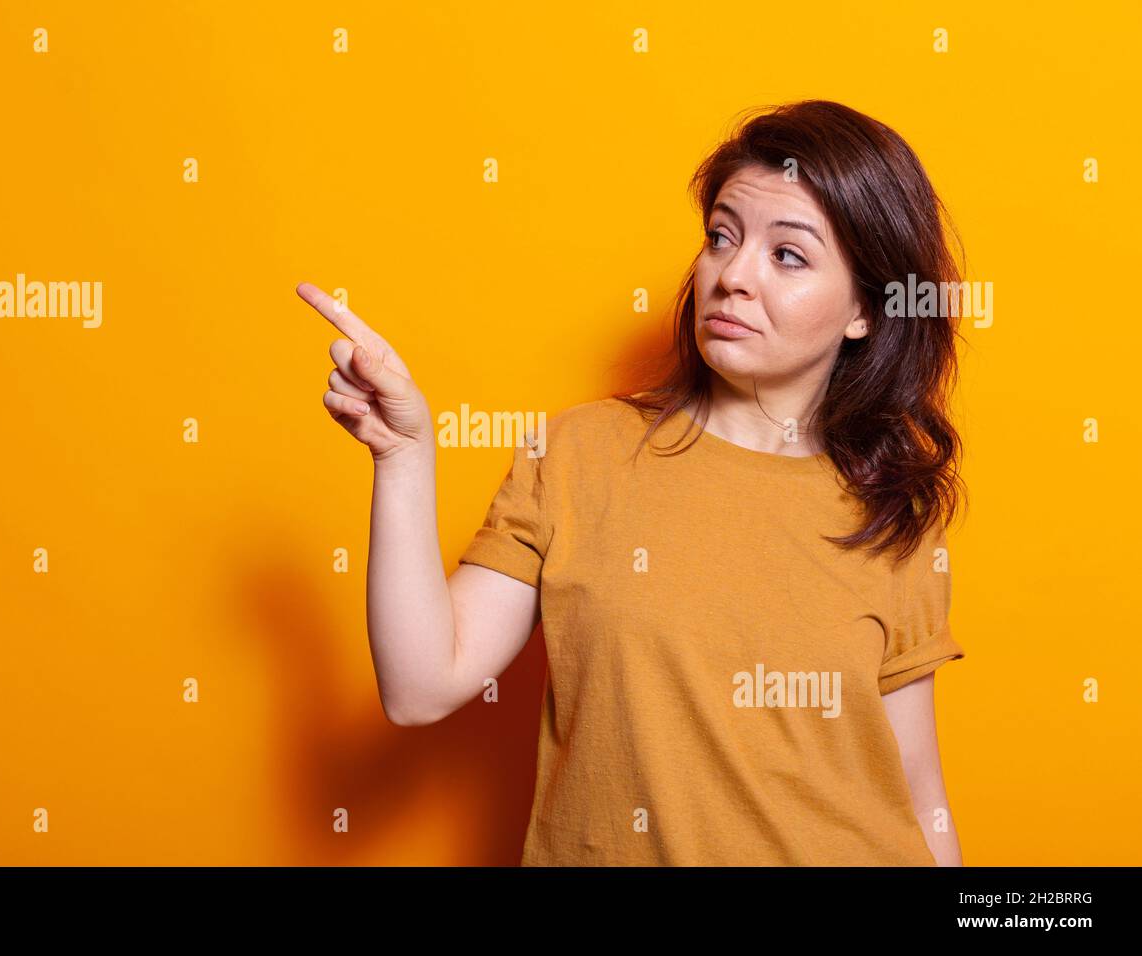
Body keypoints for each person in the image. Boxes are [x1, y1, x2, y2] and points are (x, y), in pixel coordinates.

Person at [296, 98, 970, 866]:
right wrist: (403, 456)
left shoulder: (891, 510)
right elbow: (421, 686)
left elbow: (919, 793)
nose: (733, 276)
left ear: (865, 312)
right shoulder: (581, 454)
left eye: (789, 255)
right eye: (722, 237)